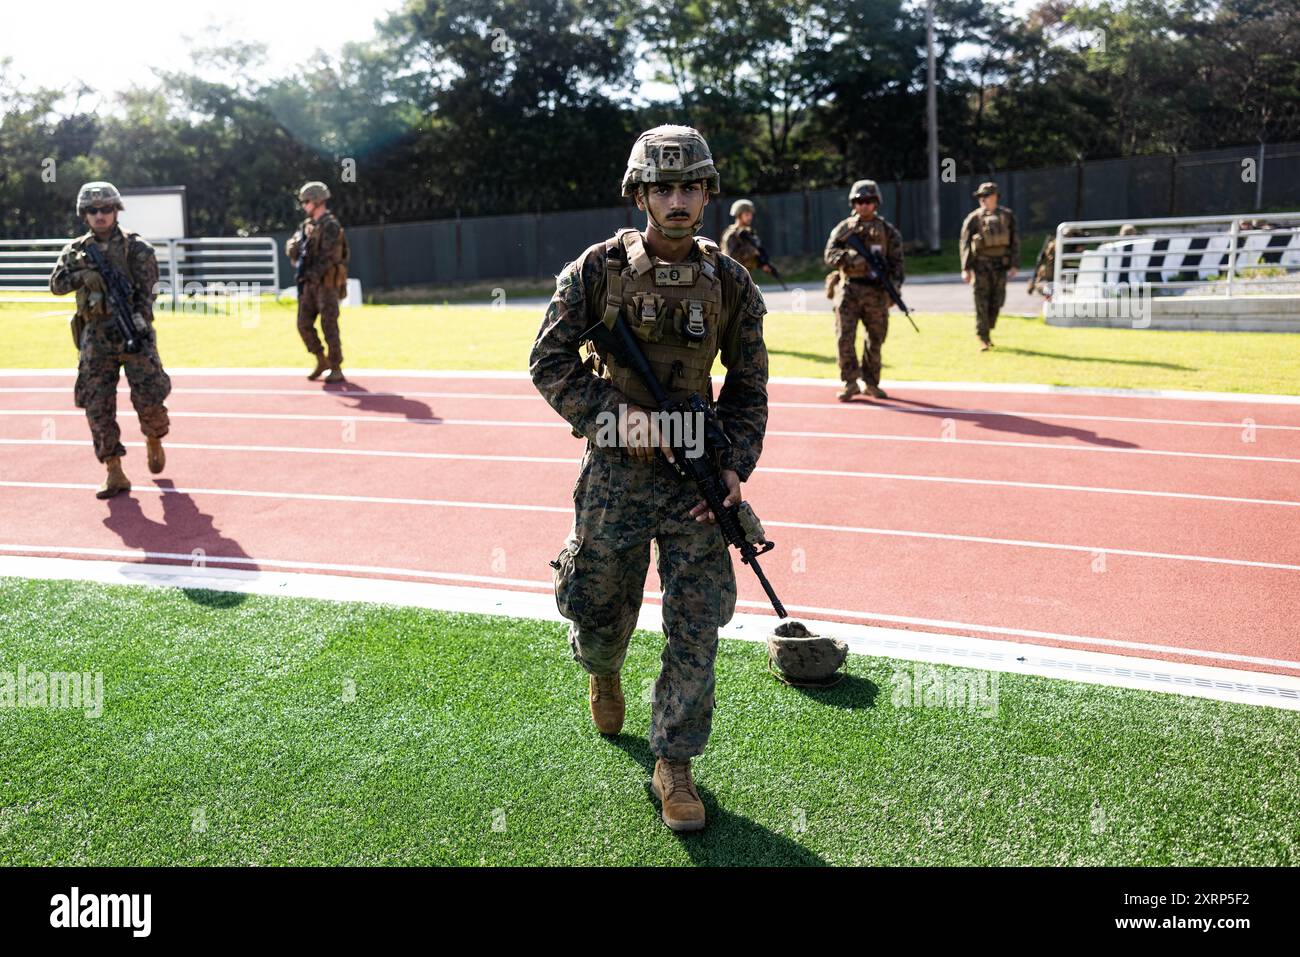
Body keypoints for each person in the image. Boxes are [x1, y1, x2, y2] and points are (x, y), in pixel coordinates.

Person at [529, 125, 770, 833]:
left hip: (695, 482)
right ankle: (604, 667)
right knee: (600, 618)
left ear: (707, 193)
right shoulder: (597, 270)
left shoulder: (729, 280)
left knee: (697, 624)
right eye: (662, 187)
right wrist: (617, 418)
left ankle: (676, 761)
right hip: (616, 476)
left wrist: (731, 465)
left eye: (689, 185)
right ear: (639, 193)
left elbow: (749, 388)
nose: (676, 199)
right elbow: (549, 363)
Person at [49, 181, 171, 499]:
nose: (100, 215)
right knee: (97, 403)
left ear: (116, 210)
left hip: (134, 331)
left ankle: (154, 437)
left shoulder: (137, 248)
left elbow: (148, 291)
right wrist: (82, 276)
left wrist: (140, 322)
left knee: (150, 397)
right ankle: (114, 470)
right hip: (95, 336)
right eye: (93, 210)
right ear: (84, 214)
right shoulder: (76, 250)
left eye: (106, 209)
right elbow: (56, 284)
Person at [822, 179, 905, 400]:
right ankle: (850, 383)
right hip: (848, 290)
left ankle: (871, 382)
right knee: (845, 338)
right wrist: (852, 259)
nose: (864, 205)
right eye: (859, 201)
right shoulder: (844, 229)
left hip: (876, 293)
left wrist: (894, 291)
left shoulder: (888, 231)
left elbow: (897, 265)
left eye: (868, 201)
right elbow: (829, 255)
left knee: (875, 339)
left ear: (876, 203)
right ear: (853, 203)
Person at [287, 181, 349, 383]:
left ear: (317, 201)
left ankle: (336, 366)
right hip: (309, 283)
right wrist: (294, 247)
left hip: (327, 283)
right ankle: (321, 360)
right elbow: (294, 247)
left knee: (328, 324)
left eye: (306, 201)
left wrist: (311, 274)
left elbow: (330, 256)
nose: (304, 206)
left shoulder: (330, 225)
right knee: (303, 324)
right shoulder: (307, 226)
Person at [960, 181, 1019, 350]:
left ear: (994, 197)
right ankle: (983, 336)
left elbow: (1015, 241)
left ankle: (988, 327)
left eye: (985, 196)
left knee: (997, 301)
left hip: (1000, 265)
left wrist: (1014, 263)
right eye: (980, 197)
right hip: (981, 266)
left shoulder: (1007, 216)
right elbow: (964, 243)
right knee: (981, 302)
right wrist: (966, 268)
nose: (983, 200)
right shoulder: (974, 218)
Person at [720, 199, 779, 282]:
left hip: (746, 278)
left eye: (751, 215)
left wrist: (762, 264)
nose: (750, 217)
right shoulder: (732, 235)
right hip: (733, 279)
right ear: (739, 215)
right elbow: (729, 259)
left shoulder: (749, 233)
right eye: (747, 215)